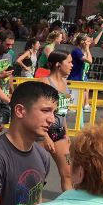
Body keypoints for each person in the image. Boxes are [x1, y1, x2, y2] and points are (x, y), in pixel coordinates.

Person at [40, 50, 76, 191]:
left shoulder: (64, 82)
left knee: (68, 173)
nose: (72, 65)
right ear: (58, 65)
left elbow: (63, 111)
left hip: (59, 134)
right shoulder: (45, 83)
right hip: (43, 134)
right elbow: (39, 112)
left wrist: (66, 133)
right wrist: (45, 136)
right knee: (37, 175)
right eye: (69, 62)